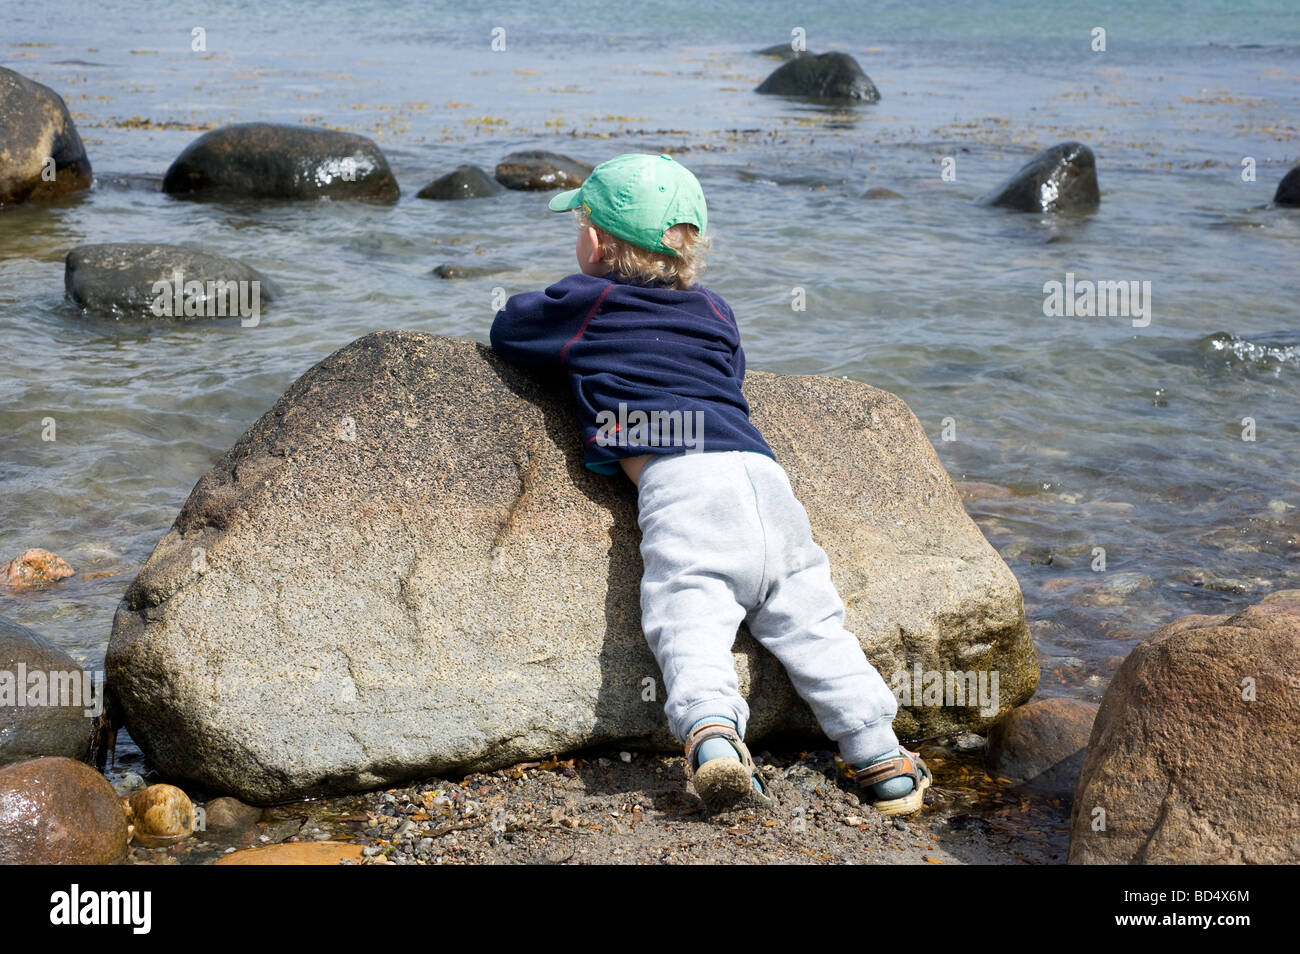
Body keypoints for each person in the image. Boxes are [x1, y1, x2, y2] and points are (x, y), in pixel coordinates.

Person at [489, 153, 931, 815]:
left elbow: (510, 330)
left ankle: (715, 739)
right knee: (811, 617)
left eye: (581, 224)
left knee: (688, 612)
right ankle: (881, 758)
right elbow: (732, 367)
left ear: (594, 242)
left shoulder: (585, 302)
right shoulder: (717, 311)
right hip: (764, 478)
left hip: (685, 480)